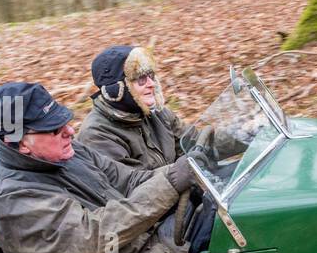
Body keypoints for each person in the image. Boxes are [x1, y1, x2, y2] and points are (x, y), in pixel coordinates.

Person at [0, 81, 199, 253]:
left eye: (64, 121)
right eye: (54, 129)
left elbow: (130, 180)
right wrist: (169, 183)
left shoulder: (66, 152)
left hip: (147, 241)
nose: (69, 131)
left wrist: (190, 167)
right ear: (21, 143)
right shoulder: (12, 200)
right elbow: (98, 235)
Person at [76, 44, 223, 172]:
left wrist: (242, 136)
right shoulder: (96, 135)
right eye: (141, 79)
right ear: (116, 90)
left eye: (151, 76)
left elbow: (195, 142)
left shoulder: (157, 113)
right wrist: (182, 170)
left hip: (183, 195)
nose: (151, 84)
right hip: (155, 202)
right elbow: (132, 184)